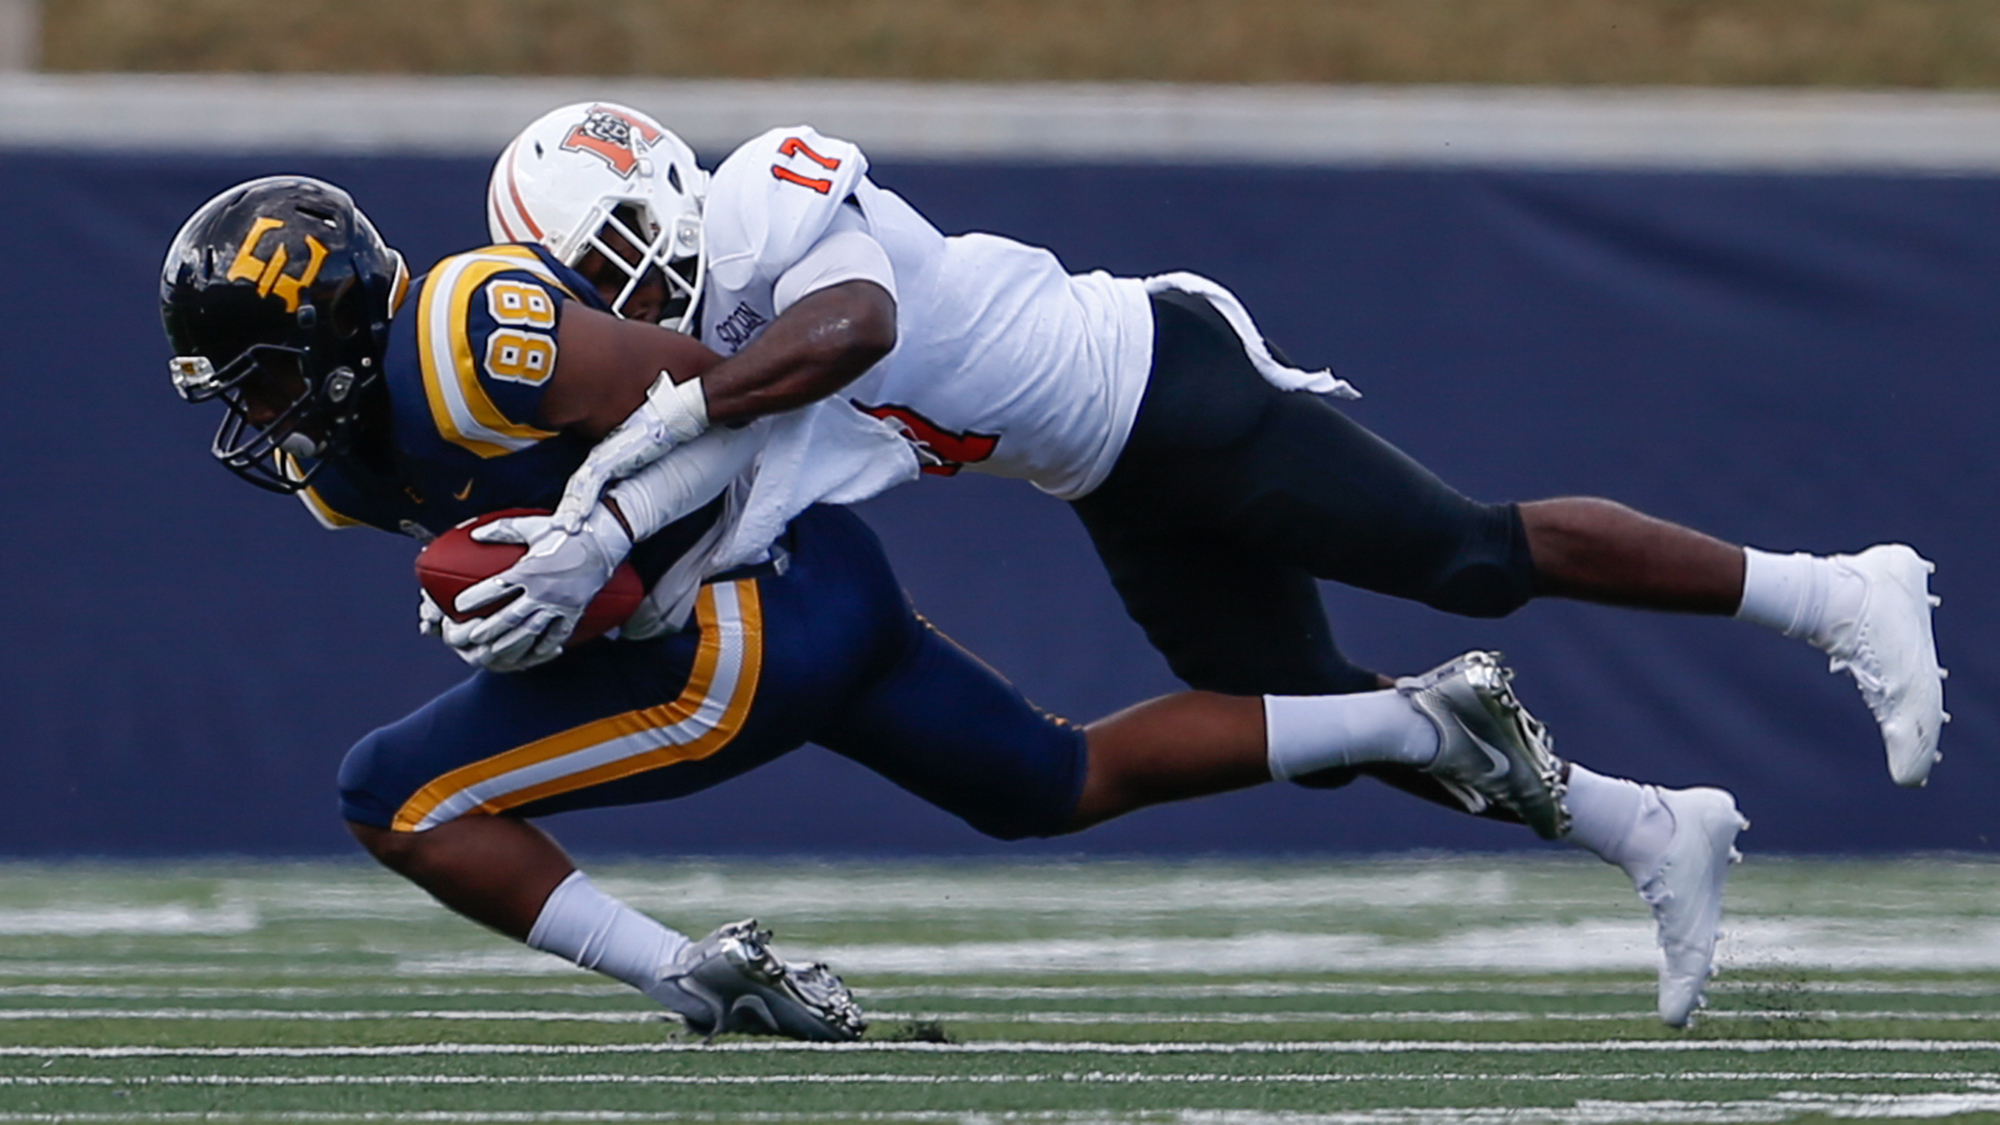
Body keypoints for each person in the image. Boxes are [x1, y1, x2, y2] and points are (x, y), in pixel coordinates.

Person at [469, 101, 1941, 1025]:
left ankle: (1833, 591)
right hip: (1107, 473)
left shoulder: (770, 195)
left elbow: (843, 332)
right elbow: (714, 502)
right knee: (1305, 707)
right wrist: (587, 551)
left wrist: (654, 436)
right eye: (595, 275)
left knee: (1470, 559)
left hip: (1167, 381)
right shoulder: (717, 361)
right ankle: (1645, 824)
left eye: (625, 242)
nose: (631, 283)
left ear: (661, 176)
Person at [161, 174, 1582, 1042]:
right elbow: (540, 560)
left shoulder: (470, 334)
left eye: (269, 377)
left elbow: (722, 416)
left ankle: (694, 981)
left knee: (389, 796)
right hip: (817, 592)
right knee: (1050, 778)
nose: (259, 416)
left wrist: (594, 540)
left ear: (339, 316)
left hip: (741, 617)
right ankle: (1410, 721)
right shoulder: (340, 475)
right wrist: (534, 587)